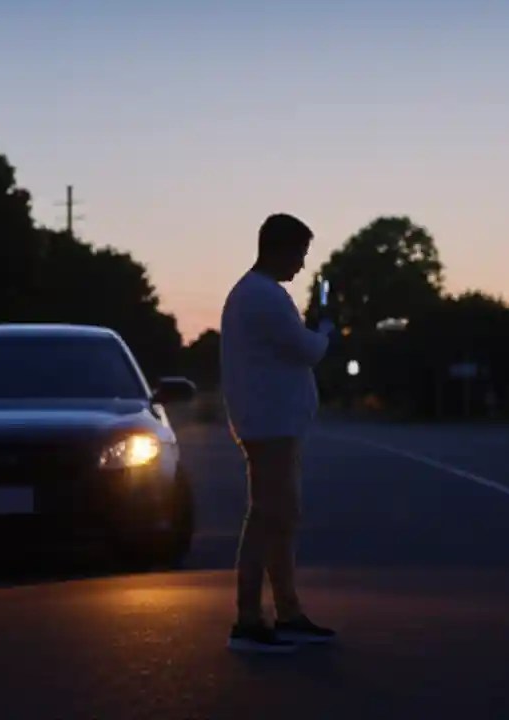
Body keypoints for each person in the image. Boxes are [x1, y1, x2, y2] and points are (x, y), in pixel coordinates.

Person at [219, 212, 337, 654]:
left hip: (271, 422)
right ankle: (249, 619)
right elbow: (307, 349)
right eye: (299, 254)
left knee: (279, 517)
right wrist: (324, 330)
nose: (301, 265)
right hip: (270, 424)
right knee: (269, 517)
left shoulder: (255, 294)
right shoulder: (263, 296)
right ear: (280, 249)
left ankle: (287, 612)